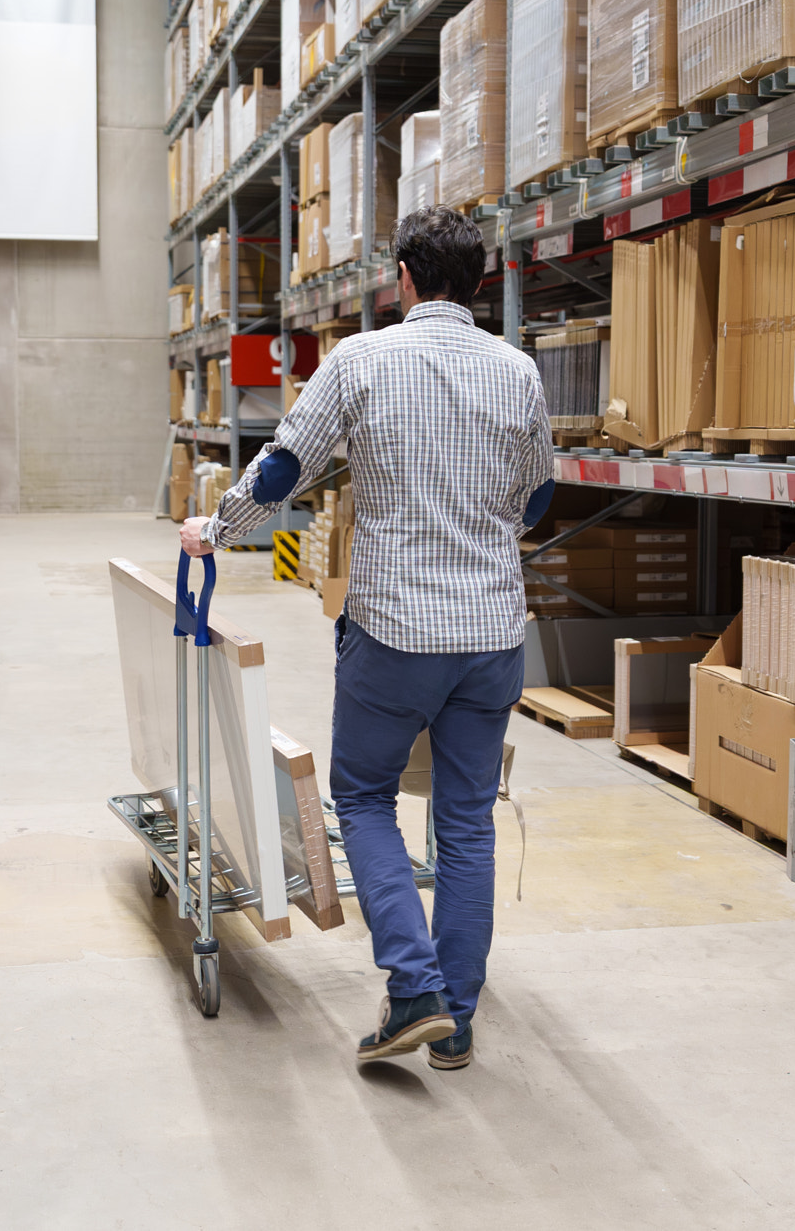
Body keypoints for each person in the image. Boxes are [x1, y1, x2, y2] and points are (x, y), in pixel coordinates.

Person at [182, 206, 555, 1070]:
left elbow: (284, 467)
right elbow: (538, 498)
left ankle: (413, 986)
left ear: (406, 278)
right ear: (477, 280)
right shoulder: (518, 372)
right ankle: (454, 1022)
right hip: (494, 633)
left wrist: (219, 526)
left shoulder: (361, 360)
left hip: (395, 631)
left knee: (362, 798)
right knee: (466, 819)